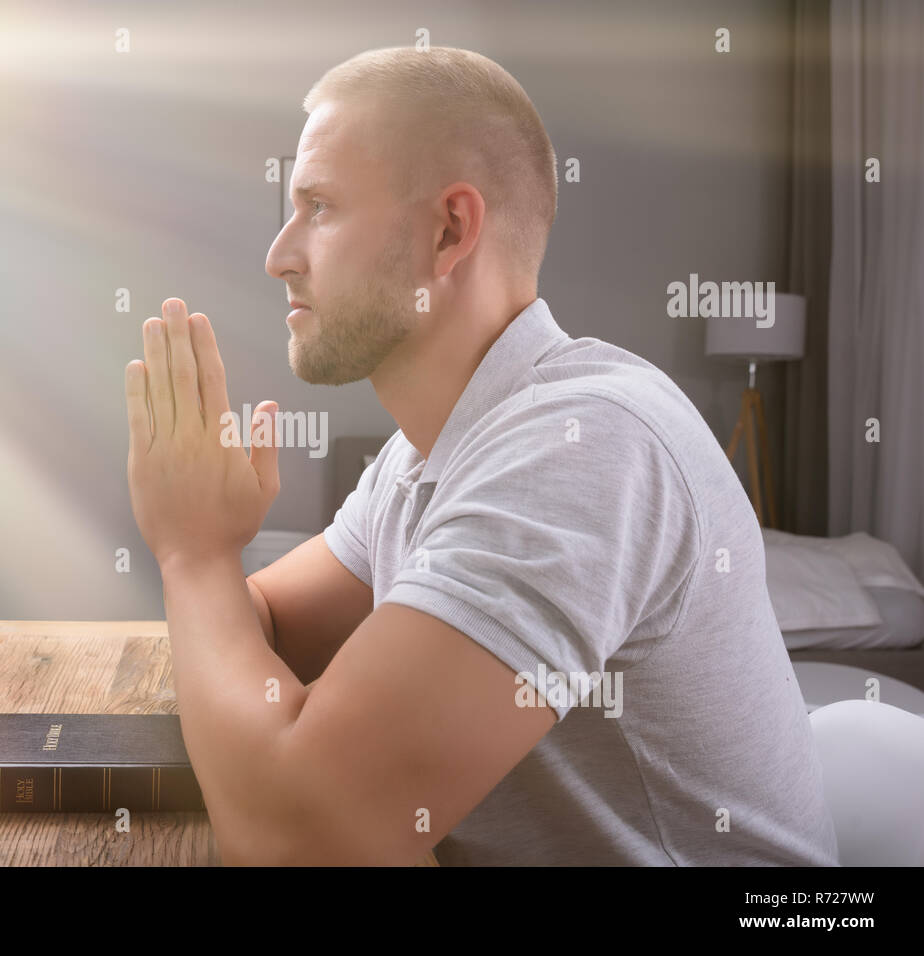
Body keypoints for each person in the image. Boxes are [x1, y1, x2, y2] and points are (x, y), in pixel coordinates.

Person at [125, 45, 840, 866]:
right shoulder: (423, 458)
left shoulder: (587, 446)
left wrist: (193, 551)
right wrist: (215, 581)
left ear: (449, 231)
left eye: (318, 206)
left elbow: (302, 840)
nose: (279, 254)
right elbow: (270, 630)